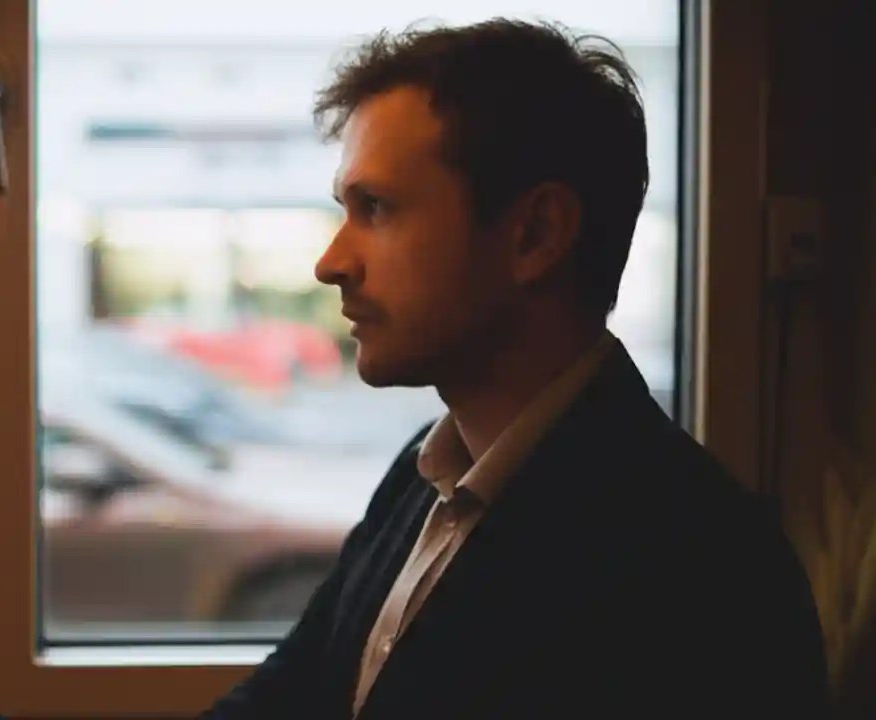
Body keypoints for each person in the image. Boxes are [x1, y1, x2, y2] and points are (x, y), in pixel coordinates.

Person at [200, 19, 827, 719]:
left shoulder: (702, 569)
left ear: (535, 235)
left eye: (376, 208)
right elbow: (287, 696)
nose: (331, 262)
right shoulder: (421, 475)